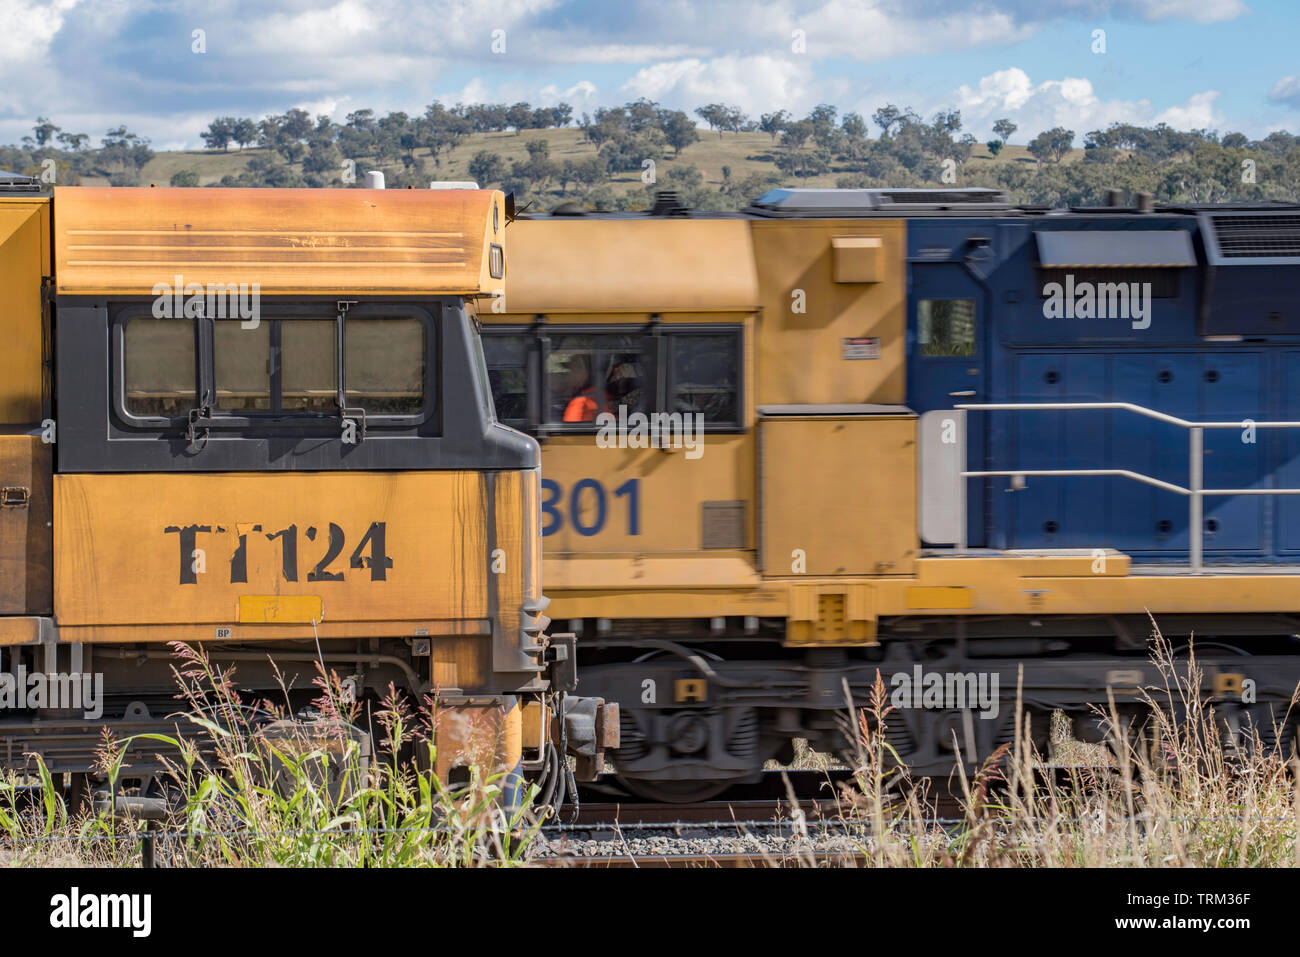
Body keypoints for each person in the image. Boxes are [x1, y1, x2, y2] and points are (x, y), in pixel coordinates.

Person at [561, 354, 597, 422]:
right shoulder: (600, 394)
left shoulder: (580, 402)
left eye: (573, 370)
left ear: (585, 373)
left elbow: (569, 431)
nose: (569, 374)